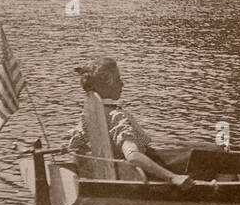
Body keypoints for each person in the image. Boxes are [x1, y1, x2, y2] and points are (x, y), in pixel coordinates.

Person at [65, 56, 193, 189]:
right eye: (118, 80)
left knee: (194, 152)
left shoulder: (88, 115)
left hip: (120, 169)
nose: (122, 84)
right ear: (106, 84)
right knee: (203, 157)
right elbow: (133, 156)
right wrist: (173, 177)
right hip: (139, 173)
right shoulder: (117, 116)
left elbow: (75, 148)